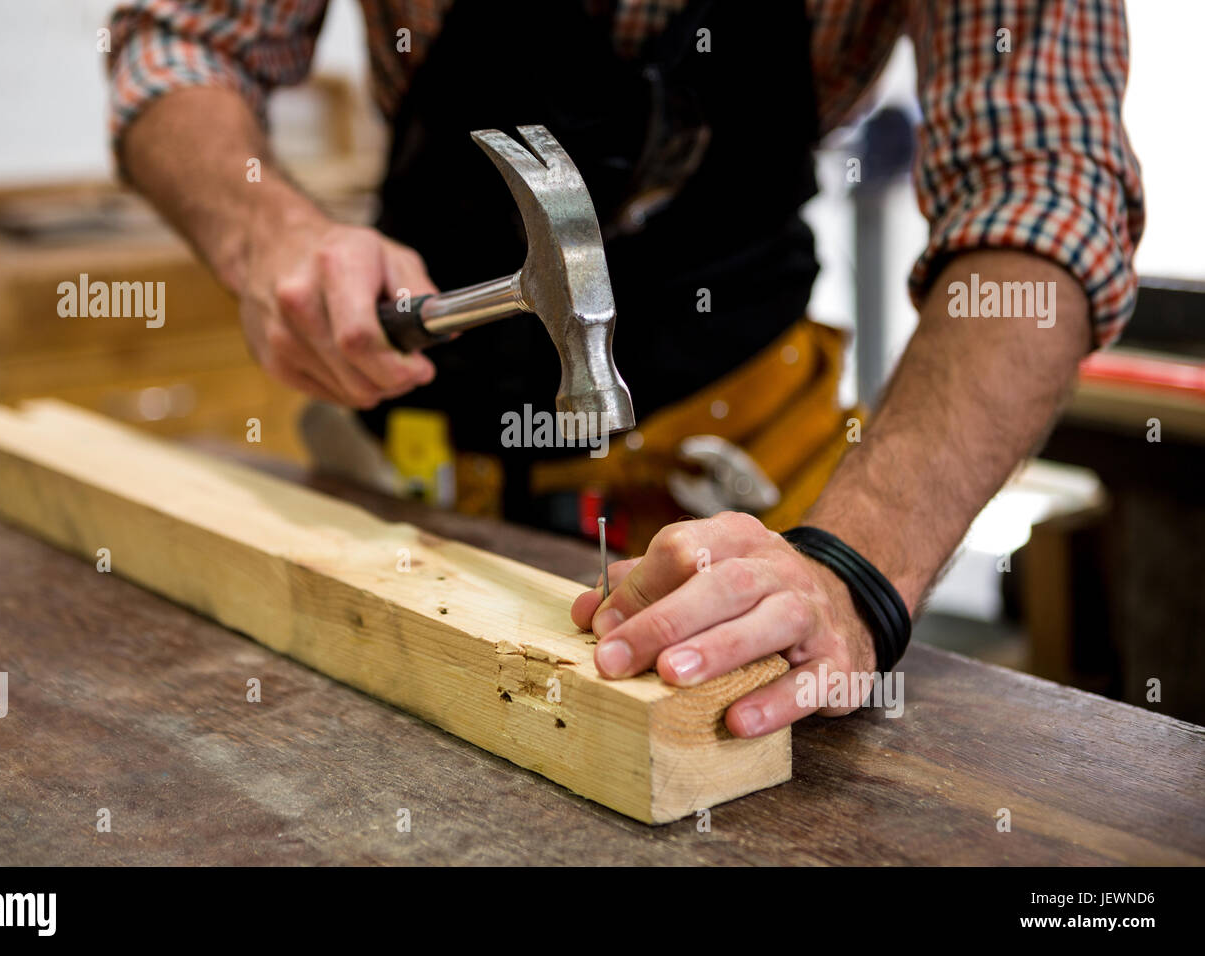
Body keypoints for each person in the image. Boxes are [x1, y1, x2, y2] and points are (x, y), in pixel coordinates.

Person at [107, 0, 1143, 738]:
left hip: (757, 480)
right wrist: (268, 234)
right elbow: (183, 38)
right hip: (417, 459)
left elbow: (1043, 183)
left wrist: (855, 568)